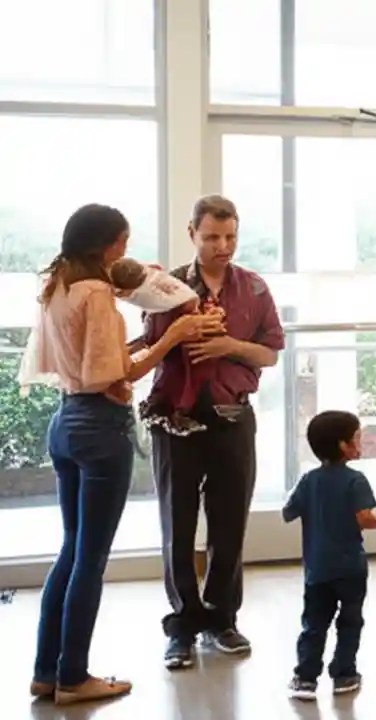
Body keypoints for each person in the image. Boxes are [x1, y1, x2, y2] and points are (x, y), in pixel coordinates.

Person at [20, 204, 210, 705]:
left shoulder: (58, 285)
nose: (126, 251)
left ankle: (47, 672)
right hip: (99, 432)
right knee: (90, 560)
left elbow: (94, 361)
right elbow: (117, 376)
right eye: (123, 243)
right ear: (107, 246)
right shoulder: (97, 294)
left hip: (64, 423)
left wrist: (127, 355)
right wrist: (173, 335)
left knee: (70, 551)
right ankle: (75, 676)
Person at [139, 194, 285, 669]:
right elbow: (149, 347)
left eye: (230, 237)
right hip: (174, 419)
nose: (223, 246)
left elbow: (269, 354)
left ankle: (223, 617)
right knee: (177, 525)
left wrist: (229, 345)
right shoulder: (165, 288)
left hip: (232, 417)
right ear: (191, 235)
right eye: (212, 238)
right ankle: (182, 624)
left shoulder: (256, 289)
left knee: (229, 525)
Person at [282, 410, 376, 701]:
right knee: (350, 621)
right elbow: (364, 519)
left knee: (314, 623)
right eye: (357, 438)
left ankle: (305, 677)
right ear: (344, 445)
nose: (361, 443)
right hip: (351, 567)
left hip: (317, 569)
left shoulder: (309, 480)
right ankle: (344, 674)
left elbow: (287, 512)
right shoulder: (355, 480)